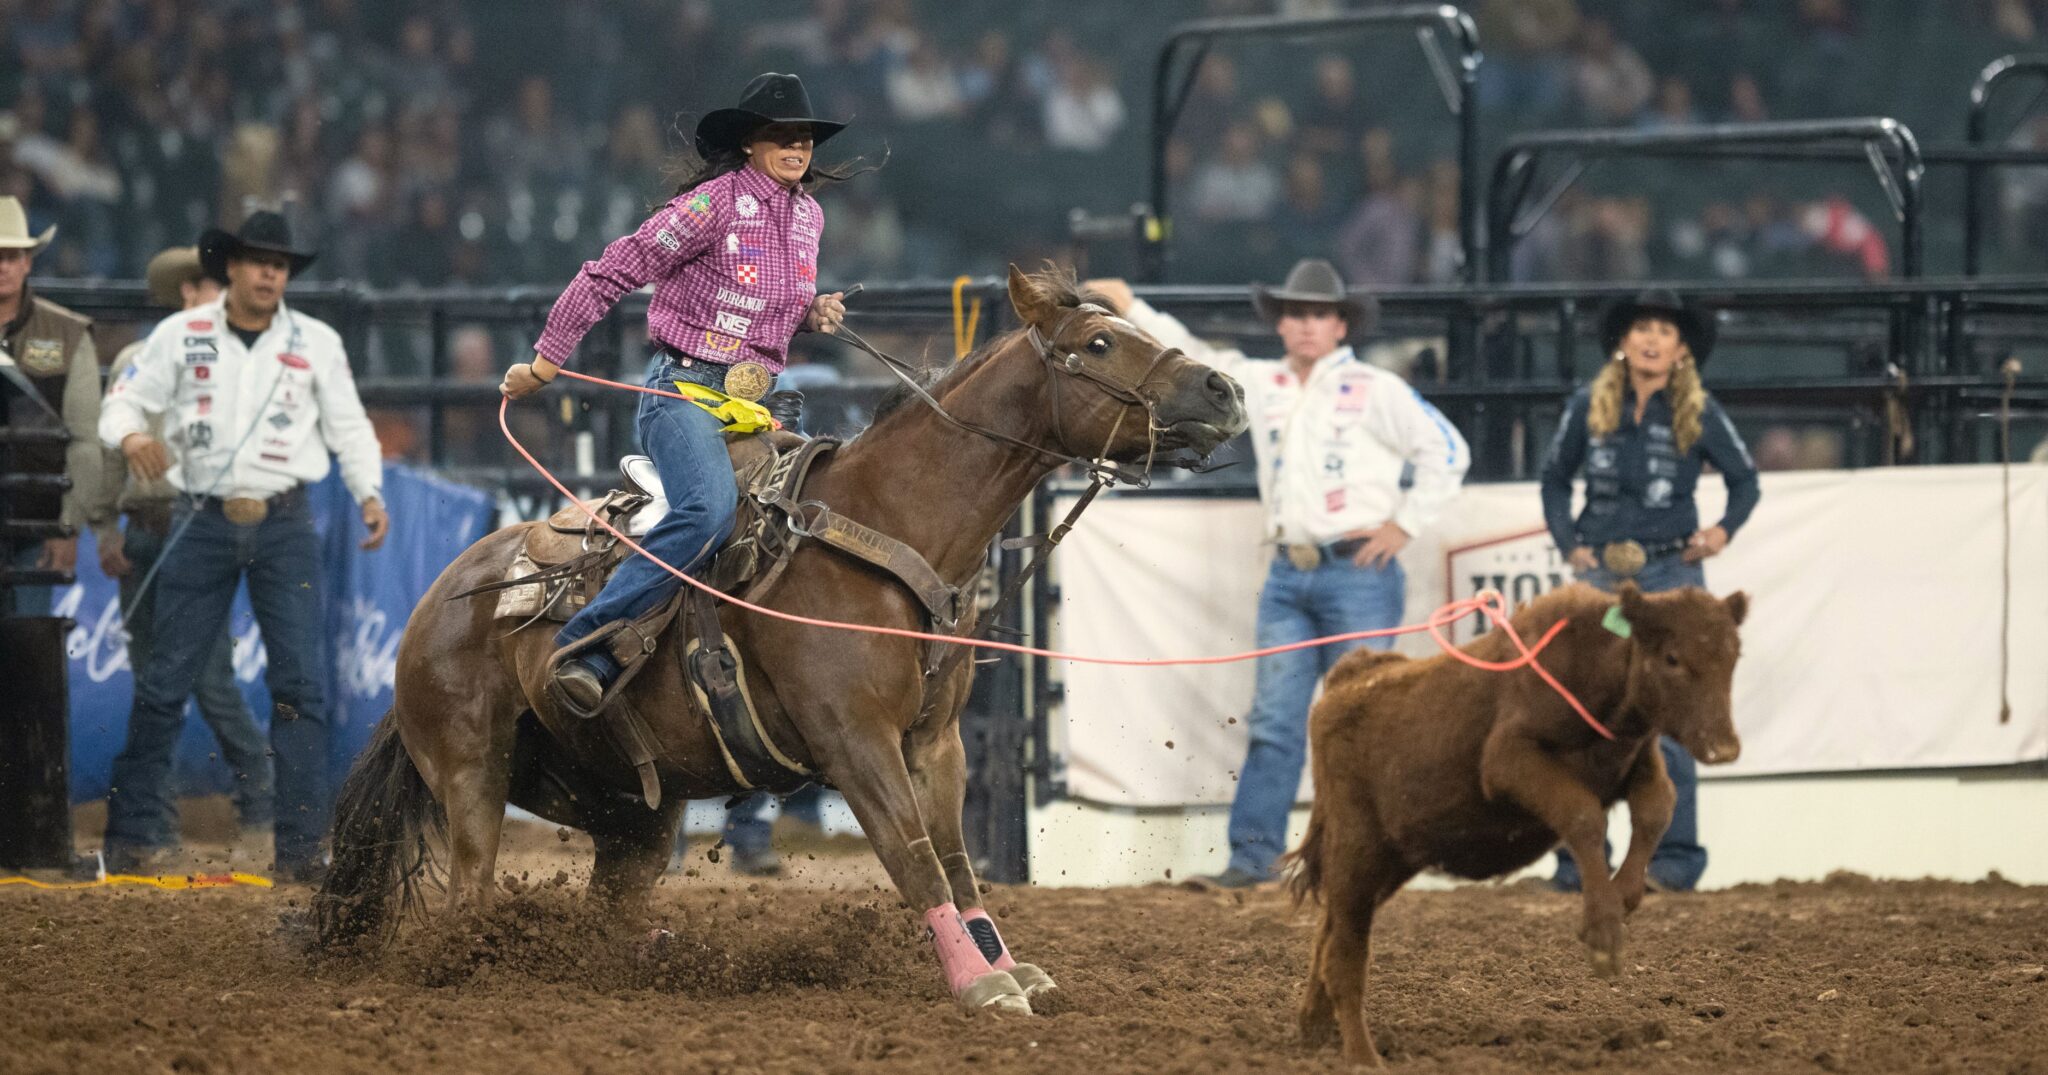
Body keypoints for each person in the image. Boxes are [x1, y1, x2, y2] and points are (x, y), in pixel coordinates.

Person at [1088, 260, 1471, 889]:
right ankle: (1255, 857)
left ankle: (1357, 857)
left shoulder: (1377, 389)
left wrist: (1403, 524)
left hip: (1355, 572)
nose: (1306, 325)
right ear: (1284, 323)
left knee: (1363, 721)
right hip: (1296, 574)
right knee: (1279, 719)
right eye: (1295, 314)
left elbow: (1447, 450)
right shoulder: (1263, 382)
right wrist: (1133, 308)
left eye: (1318, 314)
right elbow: (1197, 357)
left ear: (1340, 324)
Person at [501, 72, 852, 716]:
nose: (797, 148)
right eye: (781, 137)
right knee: (709, 510)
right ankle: (588, 646)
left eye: (804, 138)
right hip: (683, 391)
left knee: (812, 521)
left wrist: (812, 312)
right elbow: (610, 272)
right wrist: (544, 365)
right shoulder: (708, 206)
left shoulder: (809, 215)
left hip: (759, 403)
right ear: (750, 143)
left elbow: (767, 303)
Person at [98, 210, 389, 882]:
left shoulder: (316, 342)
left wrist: (369, 493)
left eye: (279, 264)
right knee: (166, 679)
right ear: (229, 266)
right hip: (200, 517)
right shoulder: (180, 335)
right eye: (258, 260)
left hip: (284, 519)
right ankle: (130, 835)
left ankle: (299, 849)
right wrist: (133, 437)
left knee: (299, 688)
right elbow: (122, 405)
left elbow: (350, 426)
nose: (269, 273)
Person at [1539, 288, 1759, 893]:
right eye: (1642, 328)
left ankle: (1672, 863)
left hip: (1670, 576)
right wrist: (1568, 541)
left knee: (1678, 715)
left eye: (1665, 330)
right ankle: (1577, 863)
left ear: (1681, 348)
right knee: (1581, 712)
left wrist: (1720, 532)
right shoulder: (1589, 405)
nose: (1652, 339)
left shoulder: (1700, 411)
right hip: (1602, 577)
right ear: (1624, 342)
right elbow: (1555, 478)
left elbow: (1745, 483)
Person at [86, 246, 274, 860]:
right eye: (200, 286)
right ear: (186, 293)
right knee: (160, 682)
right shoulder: (143, 359)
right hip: (149, 523)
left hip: (198, 527)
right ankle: (161, 827)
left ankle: (259, 813)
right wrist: (103, 528)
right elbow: (112, 450)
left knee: (208, 680)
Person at [0, 195, 105, 617]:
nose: (3, 266)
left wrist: (67, 526)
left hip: (36, 524)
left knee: (28, 653)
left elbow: (86, 442)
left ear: (28, 262)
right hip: (34, 515)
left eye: (13, 256)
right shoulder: (67, 331)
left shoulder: (67, 333)